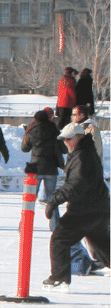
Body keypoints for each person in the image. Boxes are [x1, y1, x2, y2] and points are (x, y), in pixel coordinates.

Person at [43, 122, 109, 289]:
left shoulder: (82, 156)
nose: (66, 142)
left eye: (69, 139)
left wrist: (54, 200)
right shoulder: (85, 151)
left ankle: (59, 278)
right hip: (98, 208)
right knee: (101, 242)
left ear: (79, 137)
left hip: (84, 210)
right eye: (64, 139)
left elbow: (76, 184)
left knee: (60, 239)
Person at [21, 109, 61, 227]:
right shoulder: (54, 129)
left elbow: (25, 148)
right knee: (52, 199)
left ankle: (25, 225)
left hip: (36, 167)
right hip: (51, 167)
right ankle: (55, 225)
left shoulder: (32, 130)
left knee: (30, 198)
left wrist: (26, 134)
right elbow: (60, 145)